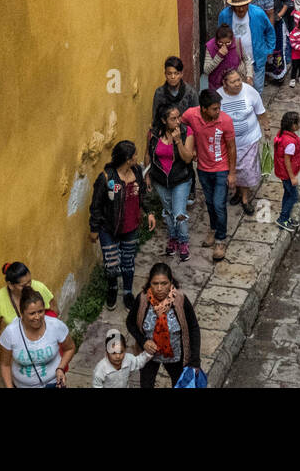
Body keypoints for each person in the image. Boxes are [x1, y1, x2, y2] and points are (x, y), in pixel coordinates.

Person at [89, 141, 156, 312]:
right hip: (109, 229)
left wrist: (149, 213)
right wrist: (94, 229)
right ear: (127, 159)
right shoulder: (106, 178)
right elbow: (96, 205)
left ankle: (127, 292)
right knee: (111, 265)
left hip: (131, 227)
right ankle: (112, 289)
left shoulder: (137, 172)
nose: (136, 157)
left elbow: (142, 196)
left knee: (128, 263)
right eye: (134, 155)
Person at [126, 263, 201, 389]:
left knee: (179, 385)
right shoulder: (142, 299)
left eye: (164, 283)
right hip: (149, 356)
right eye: (155, 283)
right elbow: (130, 323)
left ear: (171, 282)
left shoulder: (180, 300)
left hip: (175, 356)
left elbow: (193, 328)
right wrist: (143, 341)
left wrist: (195, 361)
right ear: (150, 283)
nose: (159, 288)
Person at [183, 89, 237, 262]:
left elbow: (231, 147)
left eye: (219, 107)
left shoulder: (225, 121)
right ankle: (213, 229)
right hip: (203, 169)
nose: (218, 111)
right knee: (209, 202)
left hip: (221, 169)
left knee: (219, 204)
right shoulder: (192, 115)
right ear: (203, 109)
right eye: (214, 108)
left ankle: (221, 239)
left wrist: (232, 173)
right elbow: (178, 124)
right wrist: (189, 148)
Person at [0, 262, 55, 384]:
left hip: (44, 352)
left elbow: (55, 312)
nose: (29, 286)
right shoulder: (0, 299)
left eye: (30, 281)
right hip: (19, 359)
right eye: (24, 285)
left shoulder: (38, 287)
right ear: (11, 285)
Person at [0, 286, 74, 389]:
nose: (37, 317)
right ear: (22, 313)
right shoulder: (11, 332)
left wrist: (60, 368)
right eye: (32, 313)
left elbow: (70, 348)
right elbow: (4, 365)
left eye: (40, 311)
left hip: (53, 383)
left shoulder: (55, 325)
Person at [148, 104, 196, 262]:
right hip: (160, 180)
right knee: (168, 212)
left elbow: (188, 158)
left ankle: (183, 241)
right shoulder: (153, 134)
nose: (178, 121)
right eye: (173, 119)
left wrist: (178, 142)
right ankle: (173, 238)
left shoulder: (186, 132)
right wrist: (147, 175)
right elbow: (148, 155)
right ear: (163, 120)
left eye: (179, 117)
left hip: (180, 179)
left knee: (179, 213)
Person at [218, 69, 266, 215]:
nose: (238, 84)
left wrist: (267, 129)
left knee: (246, 170)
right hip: (228, 144)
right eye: (233, 81)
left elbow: (261, 112)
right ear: (225, 84)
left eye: (239, 79)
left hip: (249, 139)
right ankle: (238, 192)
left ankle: (245, 198)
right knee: (234, 169)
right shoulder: (218, 96)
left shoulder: (250, 92)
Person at [218, 0, 274, 93]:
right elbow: (219, 35)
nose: (241, 9)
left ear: (248, 4)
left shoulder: (258, 13)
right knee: (236, 90)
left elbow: (270, 31)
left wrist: (269, 49)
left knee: (256, 90)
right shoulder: (225, 15)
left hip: (256, 59)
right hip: (234, 62)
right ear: (232, 6)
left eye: (243, 6)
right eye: (237, 6)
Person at [273, 110, 300, 232]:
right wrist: (292, 177)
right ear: (293, 126)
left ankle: (285, 217)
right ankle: (283, 218)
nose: (299, 125)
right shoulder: (290, 142)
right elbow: (287, 161)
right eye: (298, 123)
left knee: (287, 193)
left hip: (281, 171)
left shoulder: (282, 134)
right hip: (287, 174)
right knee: (294, 196)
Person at [151, 55, 197, 129]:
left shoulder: (191, 93)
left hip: (186, 134)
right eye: (169, 74)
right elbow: (156, 119)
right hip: (165, 135)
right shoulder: (160, 93)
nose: (173, 77)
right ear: (165, 74)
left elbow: (196, 120)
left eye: (176, 73)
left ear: (181, 74)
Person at [204, 23, 246, 91]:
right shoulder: (210, 47)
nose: (224, 46)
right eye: (220, 43)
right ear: (216, 40)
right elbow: (206, 70)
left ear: (232, 39)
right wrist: (219, 56)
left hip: (234, 84)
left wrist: (249, 75)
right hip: (216, 86)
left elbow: (247, 60)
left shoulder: (237, 43)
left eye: (227, 43)